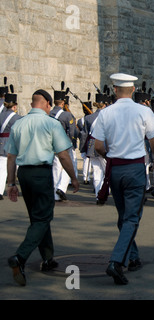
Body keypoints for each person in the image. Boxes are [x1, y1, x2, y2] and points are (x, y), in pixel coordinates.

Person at [93, 73, 154, 285]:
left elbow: (97, 147)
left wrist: (111, 157)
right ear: (133, 90)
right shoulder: (143, 110)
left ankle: (132, 257)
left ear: (114, 90)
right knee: (131, 218)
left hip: (115, 169)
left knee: (124, 215)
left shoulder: (105, 113)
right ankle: (116, 261)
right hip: (134, 168)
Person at [5, 89, 79, 286]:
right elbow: (63, 155)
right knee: (43, 217)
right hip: (41, 173)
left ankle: (48, 258)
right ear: (47, 103)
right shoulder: (51, 123)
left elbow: (11, 157)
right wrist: (73, 177)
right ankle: (20, 257)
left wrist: (11, 183)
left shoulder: (18, 124)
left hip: (24, 174)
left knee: (38, 218)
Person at [50, 84, 77, 201]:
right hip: (64, 145)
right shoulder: (67, 115)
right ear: (63, 103)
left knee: (56, 168)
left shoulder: (49, 113)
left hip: (52, 144)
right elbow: (72, 132)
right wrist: (72, 143)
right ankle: (61, 187)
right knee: (68, 166)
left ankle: (55, 194)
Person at [0, 86, 21, 200]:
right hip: (11, 144)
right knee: (4, 169)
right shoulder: (17, 117)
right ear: (14, 106)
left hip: (1, 142)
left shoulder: (1, 115)